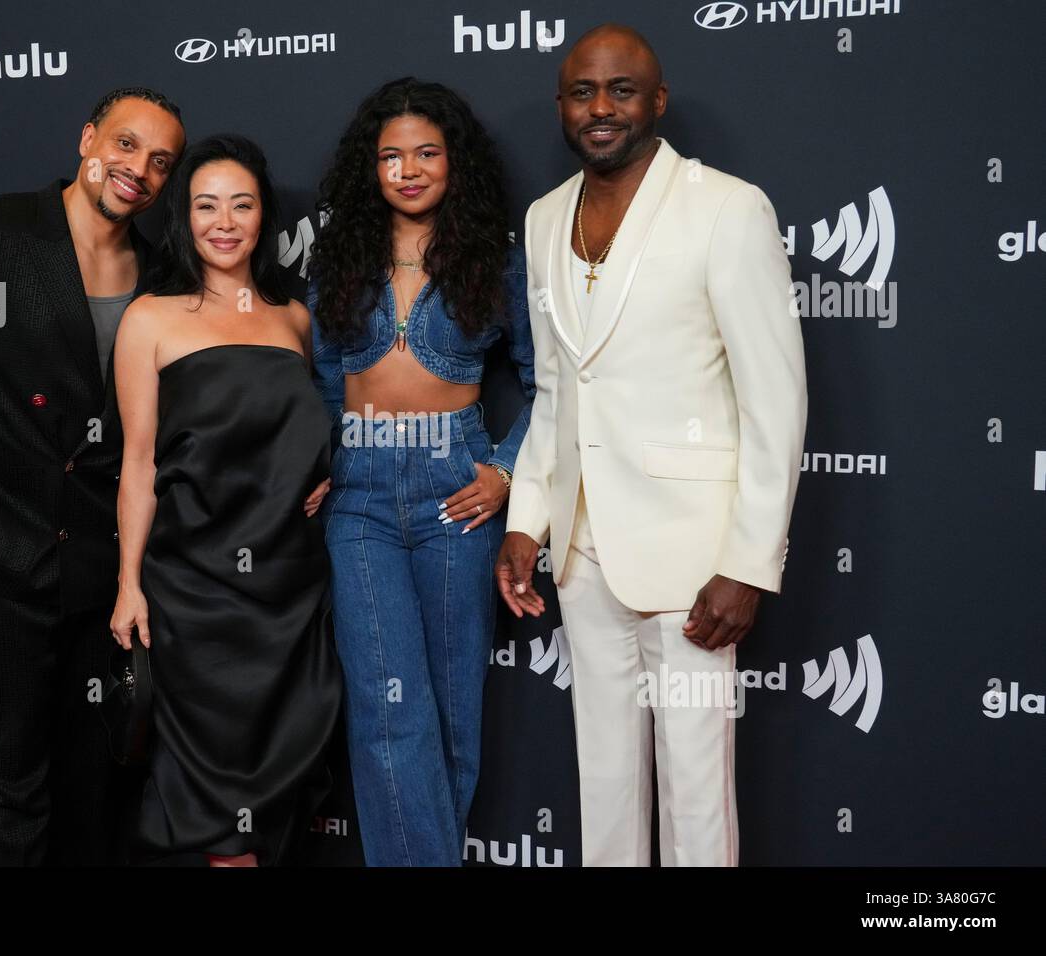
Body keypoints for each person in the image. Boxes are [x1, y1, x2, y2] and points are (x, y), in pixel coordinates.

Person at [495, 24, 807, 867]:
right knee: (604, 783)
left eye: (621, 90)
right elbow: (559, 387)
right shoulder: (543, 218)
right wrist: (528, 519)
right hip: (584, 551)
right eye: (582, 92)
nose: (601, 109)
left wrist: (747, 561)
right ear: (562, 105)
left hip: (693, 554)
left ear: (657, 101)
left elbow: (775, 401)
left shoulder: (727, 208)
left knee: (698, 791)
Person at [0, 88, 186, 865]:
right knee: (10, 794)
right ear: (87, 139)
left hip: (97, 578)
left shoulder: (160, 274)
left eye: (159, 163)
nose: (137, 171)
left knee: (91, 793)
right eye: (124, 145)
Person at [308, 77, 535, 866]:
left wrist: (504, 470)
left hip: (456, 487)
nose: (408, 169)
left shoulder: (497, 262)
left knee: (449, 713)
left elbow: (552, 386)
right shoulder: (340, 256)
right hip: (361, 493)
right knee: (382, 706)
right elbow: (328, 375)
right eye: (391, 156)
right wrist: (330, 457)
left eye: (427, 153)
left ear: (455, 162)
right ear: (368, 169)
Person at [111, 134, 341, 868]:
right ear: (184, 215)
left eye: (242, 204)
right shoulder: (149, 318)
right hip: (194, 589)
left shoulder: (294, 319)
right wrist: (128, 584)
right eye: (206, 204)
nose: (224, 220)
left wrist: (329, 467)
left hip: (288, 586)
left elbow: (311, 423)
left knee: (277, 783)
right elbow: (139, 463)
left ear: (263, 215)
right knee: (213, 803)